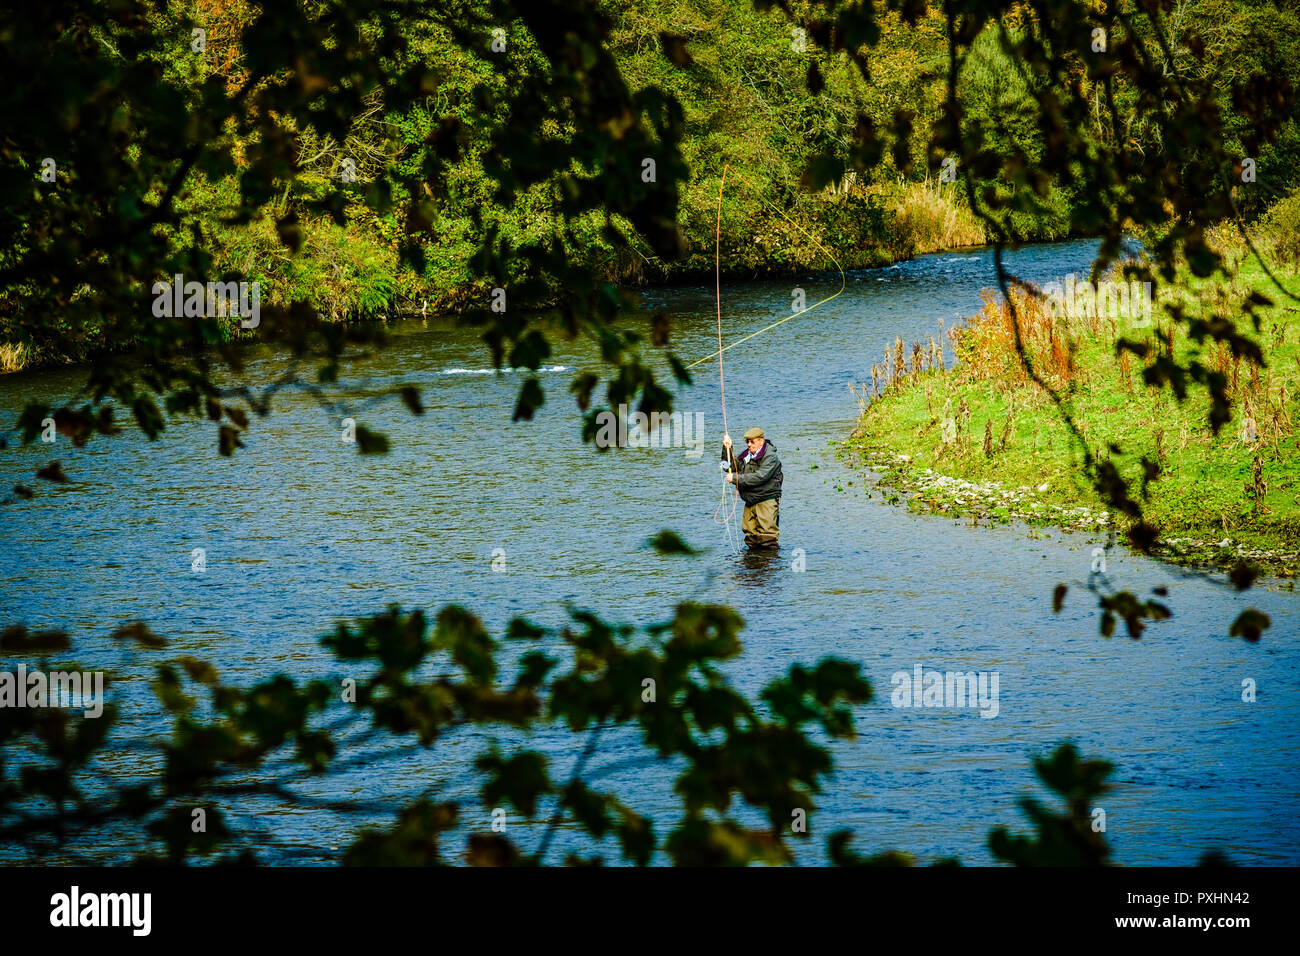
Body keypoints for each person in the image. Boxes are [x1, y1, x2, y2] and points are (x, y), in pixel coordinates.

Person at [722, 426, 782, 549]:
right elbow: (728, 466)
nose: (749, 444)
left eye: (752, 442)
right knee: (751, 537)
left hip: (766, 499)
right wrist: (727, 448)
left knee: (767, 537)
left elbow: (760, 477)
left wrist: (735, 479)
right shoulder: (746, 455)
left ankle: (769, 566)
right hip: (750, 500)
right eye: (747, 442)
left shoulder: (770, 457)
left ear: (761, 441)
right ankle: (753, 565)